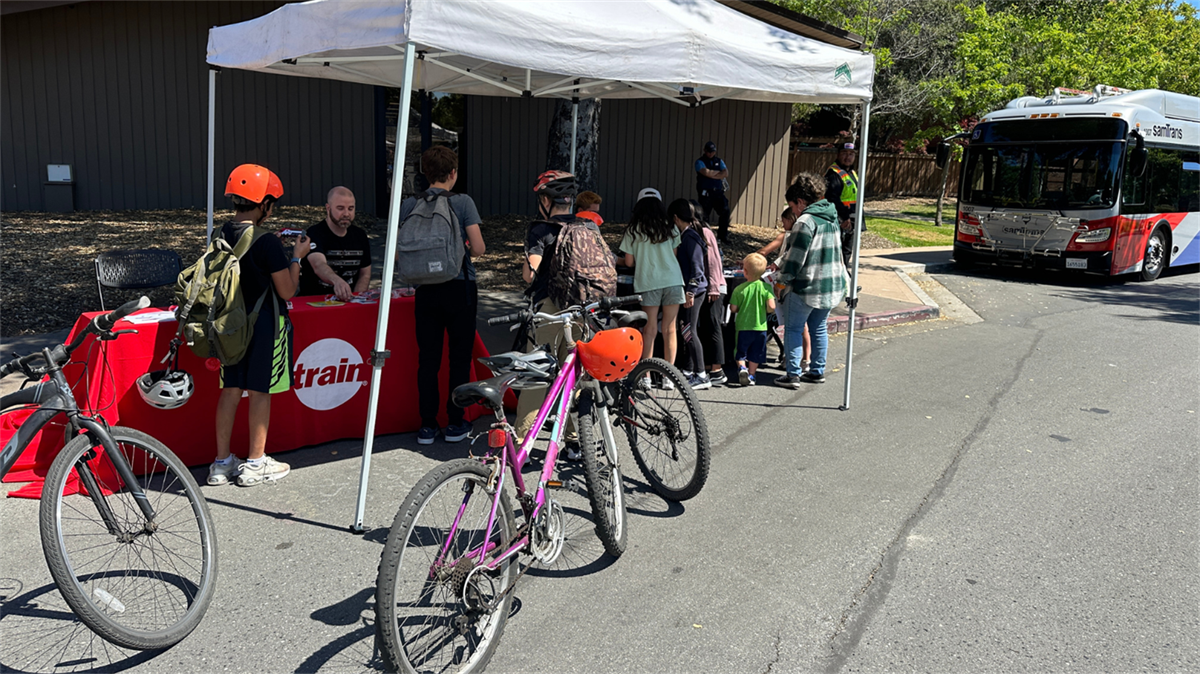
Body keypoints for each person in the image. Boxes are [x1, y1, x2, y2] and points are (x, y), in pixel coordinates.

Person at [208, 164, 310, 487]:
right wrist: (296, 258)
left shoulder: (220, 233)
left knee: (231, 389)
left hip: (229, 326)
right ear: (263, 203)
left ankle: (221, 463)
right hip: (264, 325)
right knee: (260, 391)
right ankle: (255, 462)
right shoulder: (267, 243)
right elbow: (287, 290)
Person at [399, 146, 486, 445]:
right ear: (453, 173)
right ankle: (456, 422)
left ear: (424, 173)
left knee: (428, 360)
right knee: (459, 358)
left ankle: (426, 425)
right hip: (459, 286)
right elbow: (478, 248)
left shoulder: (409, 205)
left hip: (424, 290)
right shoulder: (462, 202)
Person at [516, 170, 605, 445]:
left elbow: (530, 275)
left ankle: (522, 440)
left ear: (545, 199)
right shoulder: (586, 226)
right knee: (574, 374)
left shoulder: (541, 230)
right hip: (582, 307)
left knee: (538, 372)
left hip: (549, 309)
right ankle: (577, 439)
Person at [775, 173, 849, 388]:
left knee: (794, 328)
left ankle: (793, 374)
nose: (794, 212)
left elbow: (795, 259)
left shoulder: (805, 222)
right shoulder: (832, 216)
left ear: (800, 201)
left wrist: (781, 282)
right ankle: (817, 370)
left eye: (793, 207)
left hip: (806, 287)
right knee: (818, 328)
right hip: (830, 285)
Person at [619, 188, 684, 385]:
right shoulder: (670, 227)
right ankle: (668, 377)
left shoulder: (634, 230)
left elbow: (629, 263)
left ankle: (646, 376)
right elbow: (673, 256)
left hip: (648, 282)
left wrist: (617, 260)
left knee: (650, 329)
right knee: (670, 329)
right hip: (673, 280)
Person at [758, 205, 811, 372]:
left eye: (784, 221)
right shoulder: (801, 235)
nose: (782, 225)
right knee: (803, 327)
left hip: (787, 285)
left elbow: (769, 251)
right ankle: (806, 359)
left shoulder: (788, 236)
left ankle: (791, 360)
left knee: (793, 326)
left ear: (791, 220)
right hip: (803, 285)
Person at [298, 186, 372, 299]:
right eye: (340, 208)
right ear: (328, 208)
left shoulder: (360, 235)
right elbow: (318, 264)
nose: (346, 213)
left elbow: (365, 274)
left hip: (349, 302)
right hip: (316, 302)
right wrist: (337, 281)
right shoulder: (314, 233)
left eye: (351, 208)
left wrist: (356, 298)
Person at [668, 199, 710, 390]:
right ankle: (690, 369)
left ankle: (701, 374)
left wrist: (690, 292)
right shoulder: (691, 235)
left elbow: (697, 269)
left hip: (694, 291)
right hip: (691, 290)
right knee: (687, 331)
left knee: (689, 331)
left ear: (676, 218)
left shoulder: (690, 238)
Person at [691, 199, 727, 386]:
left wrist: (713, 286)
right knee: (705, 326)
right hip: (706, 286)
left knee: (713, 326)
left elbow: (713, 262)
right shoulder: (695, 232)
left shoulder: (705, 232)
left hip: (715, 287)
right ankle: (706, 365)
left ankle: (717, 369)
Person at [728, 253, 775, 387]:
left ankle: (742, 368)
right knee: (756, 353)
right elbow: (772, 307)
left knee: (741, 351)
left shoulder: (739, 289)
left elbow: (733, 308)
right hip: (760, 327)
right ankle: (752, 375)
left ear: (745, 271)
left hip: (743, 326)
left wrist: (739, 309)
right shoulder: (766, 288)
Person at [824, 140, 863, 269]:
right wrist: (844, 217)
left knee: (846, 252)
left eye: (851, 154)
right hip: (841, 220)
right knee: (839, 252)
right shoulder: (834, 174)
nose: (848, 157)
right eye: (845, 153)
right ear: (838, 155)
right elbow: (832, 198)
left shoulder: (852, 173)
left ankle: (844, 278)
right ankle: (840, 280)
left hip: (852, 219)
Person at [695, 141, 732, 243]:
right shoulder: (700, 162)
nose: (711, 154)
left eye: (712, 151)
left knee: (725, 211)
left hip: (718, 193)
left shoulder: (719, 161)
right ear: (705, 151)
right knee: (704, 216)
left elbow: (725, 173)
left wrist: (714, 174)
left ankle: (722, 236)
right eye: (709, 151)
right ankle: (704, 237)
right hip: (705, 194)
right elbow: (706, 173)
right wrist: (717, 173)